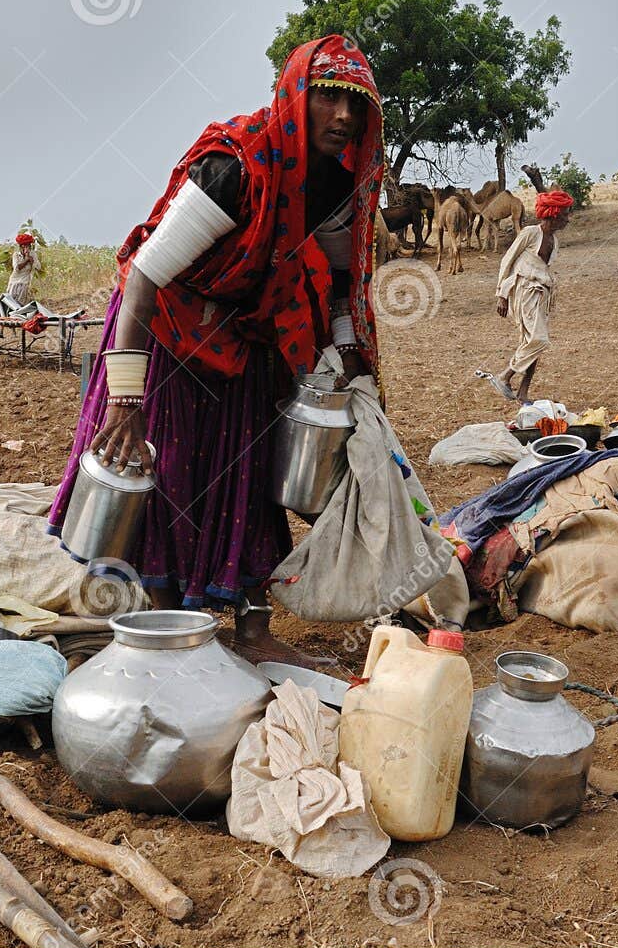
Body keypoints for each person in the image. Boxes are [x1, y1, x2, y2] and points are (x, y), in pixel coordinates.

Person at [48, 35, 383, 665]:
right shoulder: (237, 168)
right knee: (168, 473)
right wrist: (126, 400)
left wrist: (348, 364)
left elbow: (341, 284)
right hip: (165, 331)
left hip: (242, 334)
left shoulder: (335, 185)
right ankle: (159, 626)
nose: (343, 115)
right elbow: (145, 277)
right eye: (327, 96)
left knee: (248, 476)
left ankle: (252, 633)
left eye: (355, 103)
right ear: (295, 97)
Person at [479, 188, 574, 402]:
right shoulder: (530, 233)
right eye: (565, 214)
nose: (568, 219)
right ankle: (504, 376)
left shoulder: (554, 241)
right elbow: (508, 260)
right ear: (554, 214)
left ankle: (523, 392)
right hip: (524, 291)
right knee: (539, 339)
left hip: (541, 294)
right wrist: (502, 294)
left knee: (531, 343)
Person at [7, 231, 41, 307]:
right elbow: (17, 268)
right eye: (23, 246)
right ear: (20, 247)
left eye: (27, 246)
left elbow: (38, 267)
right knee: (12, 303)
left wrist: (32, 261)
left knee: (22, 303)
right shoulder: (16, 255)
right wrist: (26, 260)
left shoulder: (33, 254)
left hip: (25, 282)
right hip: (15, 281)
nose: (26, 248)